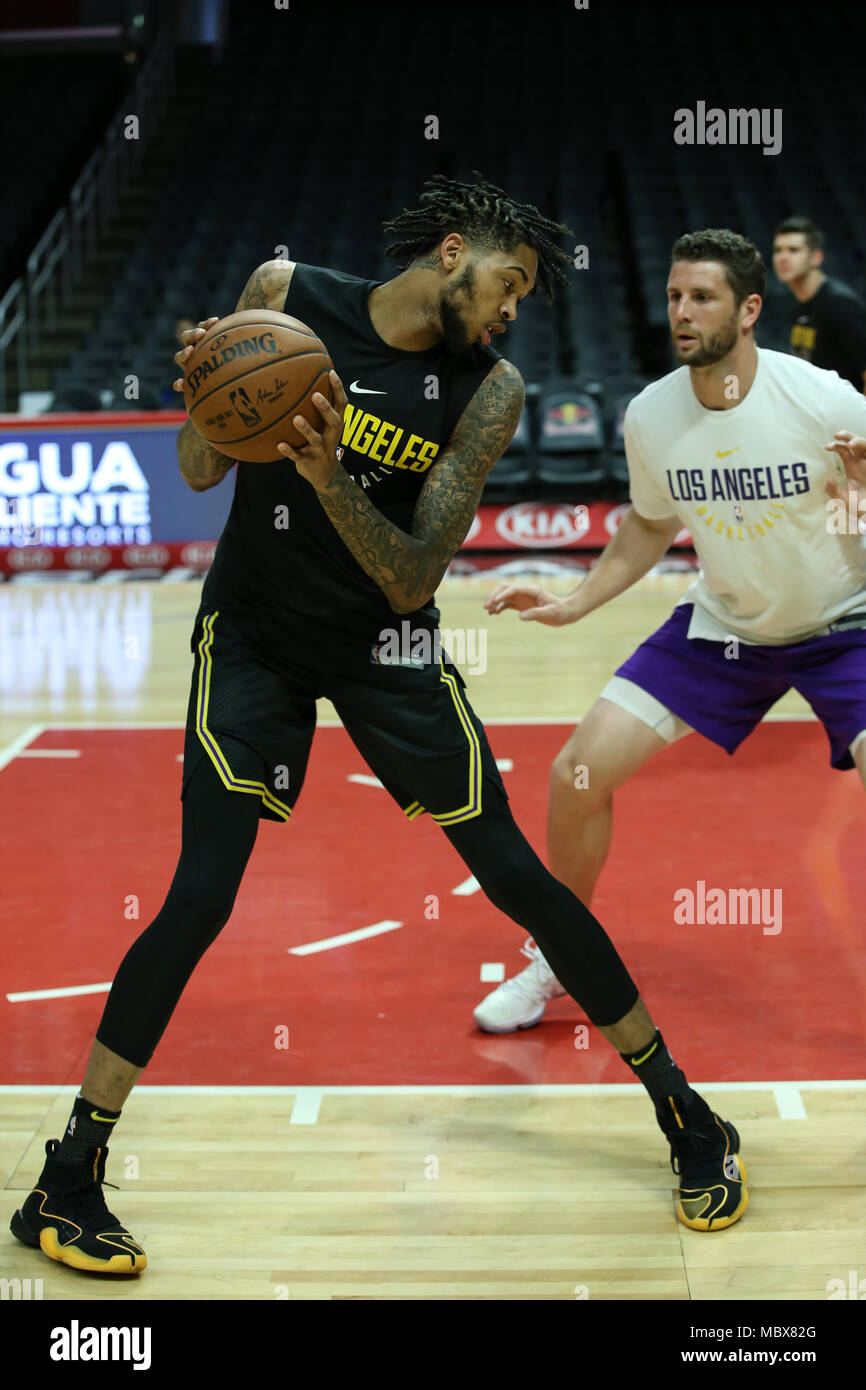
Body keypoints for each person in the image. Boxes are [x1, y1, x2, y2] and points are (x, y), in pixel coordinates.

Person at [10, 181, 748, 1278]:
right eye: (506, 286)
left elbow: (409, 579)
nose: (510, 313)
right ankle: (67, 1178)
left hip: (381, 647)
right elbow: (202, 467)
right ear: (452, 254)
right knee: (199, 896)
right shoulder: (287, 296)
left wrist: (325, 474)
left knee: (516, 877)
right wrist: (207, 398)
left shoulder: (486, 391)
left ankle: (687, 1114)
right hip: (253, 635)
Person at [477, 227, 866, 1037]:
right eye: (674, 297)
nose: (681, 313)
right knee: (576, 774)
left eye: (702, 298)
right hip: (723, 626)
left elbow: (855, 517)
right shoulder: (651, 415)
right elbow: (649, 529)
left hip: (844, 626)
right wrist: (576, 600)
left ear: (750, 309)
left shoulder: (825, 399)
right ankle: (560, 957)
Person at [773, 216, 866, 394]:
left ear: (816, 257)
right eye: (778, 250)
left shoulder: (840, 303)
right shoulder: (797, 308)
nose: (783, 258)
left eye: (793, 250)